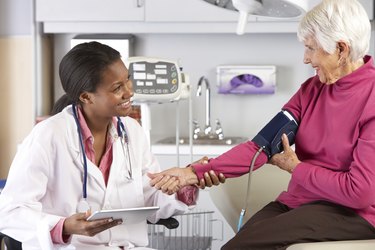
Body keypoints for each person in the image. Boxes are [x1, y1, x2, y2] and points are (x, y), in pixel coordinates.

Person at [148, 0, 375, 249]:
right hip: (299, 203)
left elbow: (359, 192)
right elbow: (262, 147)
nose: (305, 59)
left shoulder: (371, 99)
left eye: (311, 48)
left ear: (341, 49)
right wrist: (191, 173)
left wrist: (296, 168)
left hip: (352, 213)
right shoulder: (312, 90)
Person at [0, 41, 222, 250]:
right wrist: (64, 226)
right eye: (117, 88)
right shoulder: (49, 135)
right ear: (86, 97)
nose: (130, 91)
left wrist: (187, 181)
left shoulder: (131, 132)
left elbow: (150, 199)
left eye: (128, 80)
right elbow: (10, 212)